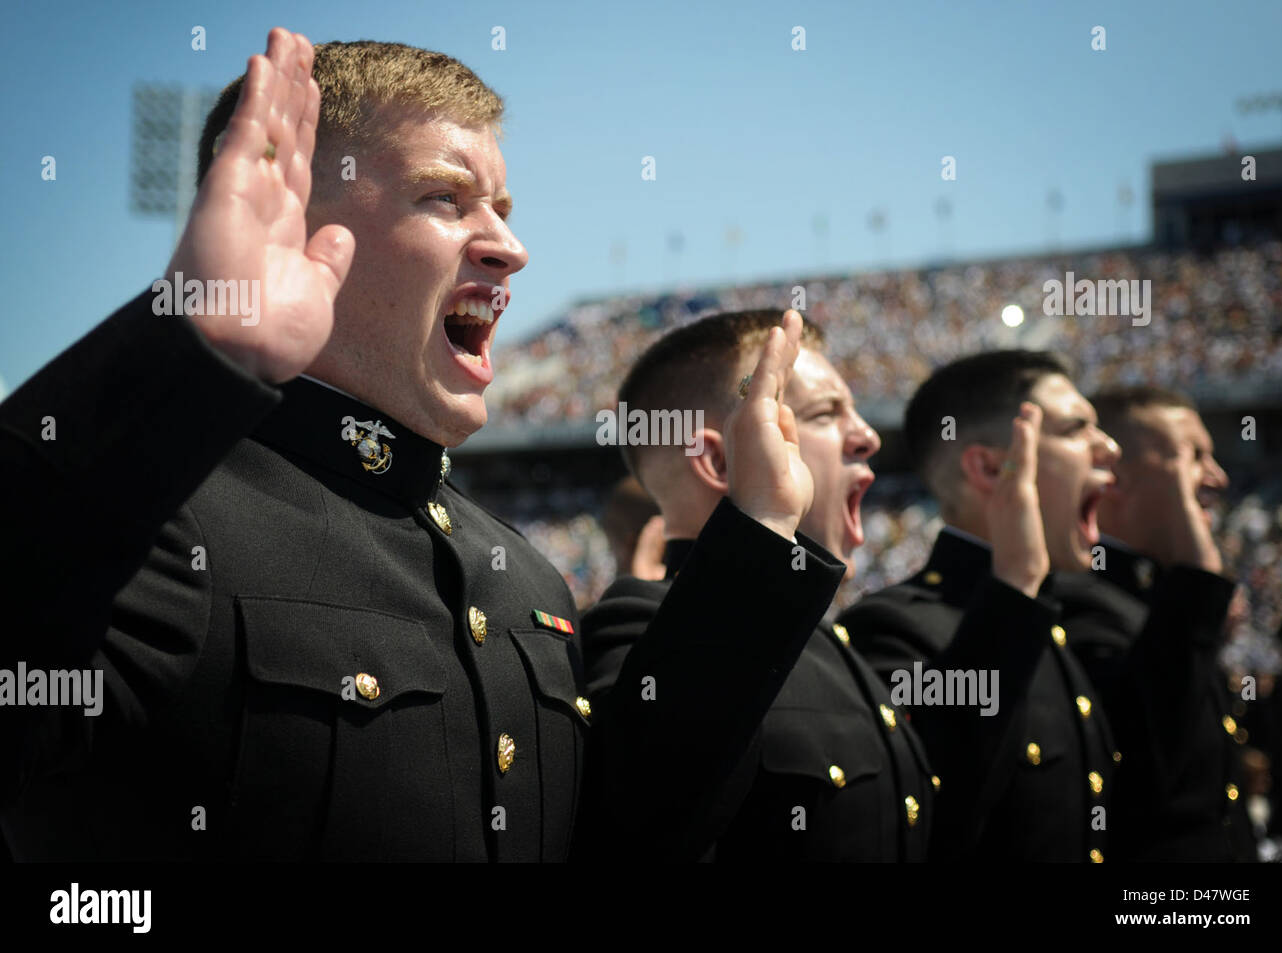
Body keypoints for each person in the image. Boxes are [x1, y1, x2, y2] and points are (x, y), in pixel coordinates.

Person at [0, 30, 843, 862]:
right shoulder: (170, 530)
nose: (510, 248)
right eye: (445, 199)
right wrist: (186, 346)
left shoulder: (525, 580)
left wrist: (761, 531)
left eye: (504, 211)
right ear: (292, 222)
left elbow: (625, 837)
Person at [583, 310, 934, 861]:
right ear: (720, 459)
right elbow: (643, 818)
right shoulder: (639, 625)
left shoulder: (827, 642)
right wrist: (762, 518)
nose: (867, 436)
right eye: (824, 414)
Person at [838, 350, 1117, 862]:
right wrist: (1013, 589)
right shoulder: (892, 627)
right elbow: (936, 819)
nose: (1109, 449)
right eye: (1076, 429)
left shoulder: (1052, 622)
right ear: (989, 466)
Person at [1052, 386, 1248, 860]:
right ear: (1114, 475)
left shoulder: (1155, 597)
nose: (1217, 477)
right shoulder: (1076, 604)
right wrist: (1199, 581)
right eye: (1193, 457)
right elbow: (1143, 776)